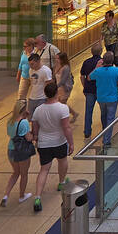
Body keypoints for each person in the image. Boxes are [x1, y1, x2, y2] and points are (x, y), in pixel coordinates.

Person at [30, 82, 72, 212]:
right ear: (56, 93)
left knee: (44, 170)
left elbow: (35, 129)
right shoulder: (62, 108)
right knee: (62, 161)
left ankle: (37, 196)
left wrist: (36, 138)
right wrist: (71, 143)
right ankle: (61, 182)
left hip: (44, 143)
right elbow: (66, 128)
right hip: (59, 141)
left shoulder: (38, 110)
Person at [2, 103, 35, 208]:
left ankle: (6, 195)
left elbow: (10, 134)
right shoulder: (24, 122)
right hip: (22, 151)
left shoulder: (10, 121)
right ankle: (22, 195)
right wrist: (34, 136)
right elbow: (28, 138)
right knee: (24, 174)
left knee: (15, 173)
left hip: (11, 149)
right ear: (24, 110)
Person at [89, 52, 118, 149]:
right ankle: (106, 140)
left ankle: (105, 131)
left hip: (101, 97)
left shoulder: (98, 71)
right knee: (110, 118)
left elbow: (89, 77)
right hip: (112, 98)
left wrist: (96, 66)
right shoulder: (116, 70)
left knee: (103, 116)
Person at [79, 43, 104, 141]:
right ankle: (104, 129)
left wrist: (84, 86)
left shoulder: (86, 62)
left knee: (88, 111)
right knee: (103, 110)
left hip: (89, 89)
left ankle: (87, 131)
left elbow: (82, 76)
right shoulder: (102, 62)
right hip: (100, 89)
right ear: (101, 51)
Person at [26, 50, 52, 115]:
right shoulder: (31, 70)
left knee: (40, 118)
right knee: (30, 118)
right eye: (29, 64)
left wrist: (48, 99)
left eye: (32, 64)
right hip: (32, 98)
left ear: (38, 61)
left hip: (42, 98)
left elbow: (49, 85)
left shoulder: (46, 71)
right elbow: (32, 83)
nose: (31, 66)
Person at [15, 37, 35, 106]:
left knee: (34, 95)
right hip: (24, 76)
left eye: (25, 46)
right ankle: (21, 111)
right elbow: (21, 64)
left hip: (33, 77)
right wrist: (18, 74)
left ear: (31, 46)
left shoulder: (36, 53)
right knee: (21, 95)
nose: (24, 48)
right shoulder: (23, 52)